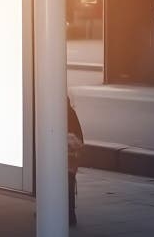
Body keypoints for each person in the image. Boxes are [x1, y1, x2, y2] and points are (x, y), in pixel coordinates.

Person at [68, 96, 84, 226]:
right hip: (71, 157)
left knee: (65, 184)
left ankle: (69, 213)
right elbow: (80, 138)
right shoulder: (71, 112)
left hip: (66, 155)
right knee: (69, 184)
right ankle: (71, 214)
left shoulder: (58, 113)